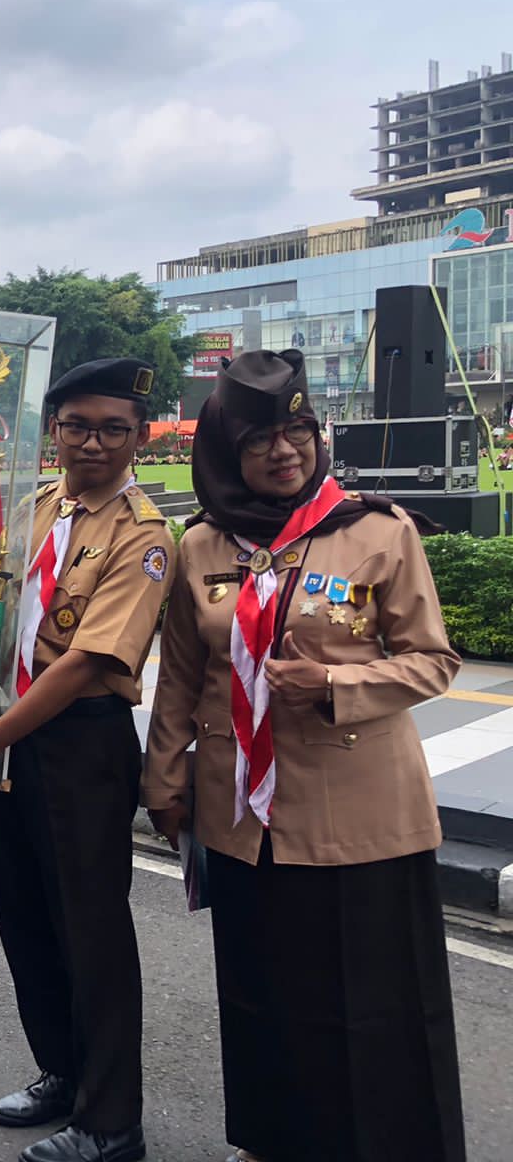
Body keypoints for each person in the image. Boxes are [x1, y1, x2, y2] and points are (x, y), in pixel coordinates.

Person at [144, 350, 466, 1162]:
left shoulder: (377, 531)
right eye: (259, 441)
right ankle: (271, 1138)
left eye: (297, 431)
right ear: (225, 454)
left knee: (374, 999)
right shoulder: (202, 547)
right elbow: (181, 674)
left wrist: (332, 681)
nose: (284, 451)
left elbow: (432, 661)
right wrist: (164, 780)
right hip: (242, 813)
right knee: (261, 991)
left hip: (359, 813)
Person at [0, 357, 172, 1162]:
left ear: (141, 435)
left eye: (112, 429)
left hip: (77, 745)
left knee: (89, 930)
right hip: (6, 735)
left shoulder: (143, 534)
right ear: (53, 429)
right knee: (24, 915)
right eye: (77, 426)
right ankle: (61, 1073)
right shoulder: (28, 505)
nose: (92, 443)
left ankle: (111, 1120)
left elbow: (90, 660)